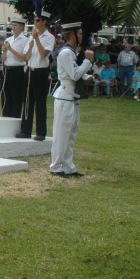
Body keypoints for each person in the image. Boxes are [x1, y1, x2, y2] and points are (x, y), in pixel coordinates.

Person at [49, 22, 94, 178]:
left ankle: (68, 166)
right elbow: (74, 74)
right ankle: (55, 166)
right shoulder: (66, 53)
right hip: (65, 96)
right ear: (73, 34)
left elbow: (74, 74)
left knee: (71, 134)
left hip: (72, 97)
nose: (82, 36)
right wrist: (88, 61)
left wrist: (88, 77)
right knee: (62, 134)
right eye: (79, 33)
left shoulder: (71, 52)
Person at [18, 11, 56, 140]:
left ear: (44, 22)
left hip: (41, 71)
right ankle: (25, 130)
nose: (35, 23)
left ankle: (41, 132)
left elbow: (44, 54)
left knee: (40, 103)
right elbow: (26, 57)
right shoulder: (31, 36)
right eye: (35, 20)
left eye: (38, 20)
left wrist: (37, 40)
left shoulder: (49, 37)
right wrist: (29, 47)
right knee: (28, 101)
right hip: (30, 70)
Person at [1, 17, 28, 118]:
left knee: (16, 97)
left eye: (15, 25)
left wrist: (11, 49)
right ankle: (5, 117)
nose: (13, 27)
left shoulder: (25, 40)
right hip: (7, 69)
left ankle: (15, 118)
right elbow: (3, 59)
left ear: (21, 27)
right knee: (6, 96)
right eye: (12, 25)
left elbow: (24, 58)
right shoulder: (8, 39)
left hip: (18, 70)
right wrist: (4, 51)